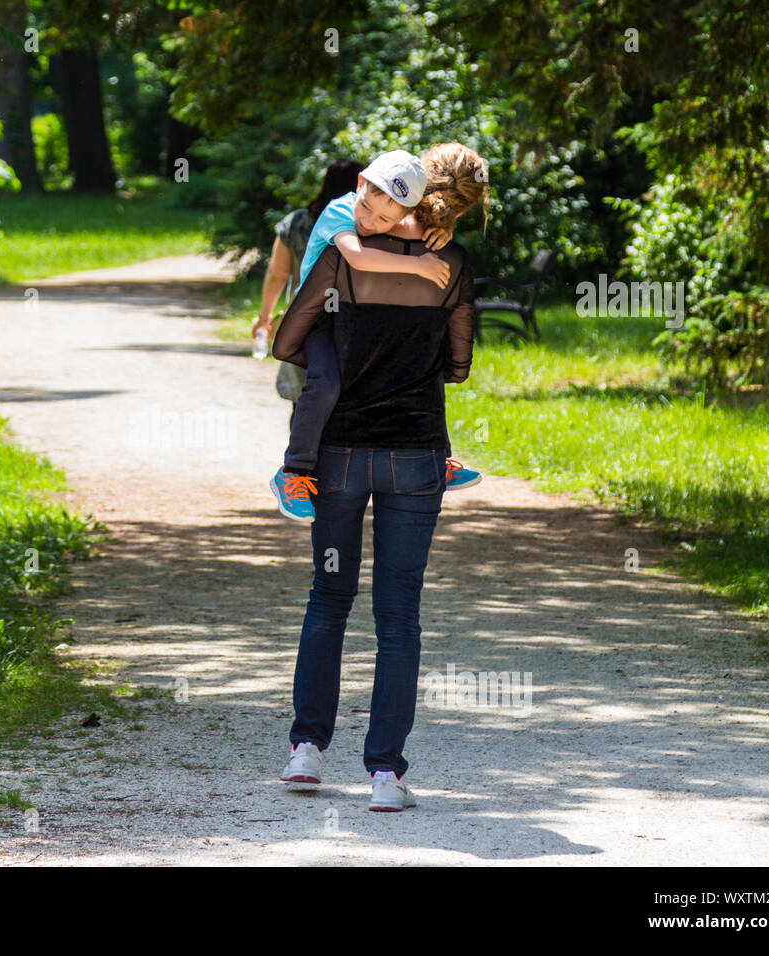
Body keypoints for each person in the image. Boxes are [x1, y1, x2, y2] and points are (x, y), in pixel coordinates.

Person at [270, 142, 489, 811]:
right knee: (400, 618)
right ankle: (386, 776)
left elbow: (287, 344)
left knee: (328, 600)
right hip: (417, 460)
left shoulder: (341, 251)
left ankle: (307, 750)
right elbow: (459, 366)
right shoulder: (450, 263)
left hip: (337, 457)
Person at [264, 149, 481, 523]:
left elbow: (422, 219)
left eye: (385, 219)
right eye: (367, 209)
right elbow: (359, 258)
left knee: (420, 368)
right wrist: (417, 266)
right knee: (325, 384)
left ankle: (441, 459)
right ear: (360, 183)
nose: (370, 222)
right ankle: (293, 471)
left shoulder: (390, 210)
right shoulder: (341, 210)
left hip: (350, 319)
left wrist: (442, 227)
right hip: (320, 319)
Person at [253, 159, 364, 419]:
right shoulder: (372, 225)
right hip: (354, 324)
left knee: (305, 404)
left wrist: (265, 318)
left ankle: (303, 458)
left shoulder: (299, 223)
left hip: (305, 323)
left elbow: (277, 274)